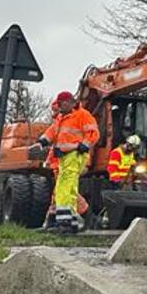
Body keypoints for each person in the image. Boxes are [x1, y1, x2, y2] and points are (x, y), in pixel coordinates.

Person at [36, 91, 99, 233]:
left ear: (70, 102)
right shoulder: (61, 118)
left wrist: (84, 145)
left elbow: (93, 133)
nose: (58, 107)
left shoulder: (82, 115)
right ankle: (66, 221)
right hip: (64, 157)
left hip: (74, 155)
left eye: (60, 104)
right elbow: (52, 132)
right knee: (66, 189)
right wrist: (42, 141)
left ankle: (65, 223)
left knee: (64, 188)